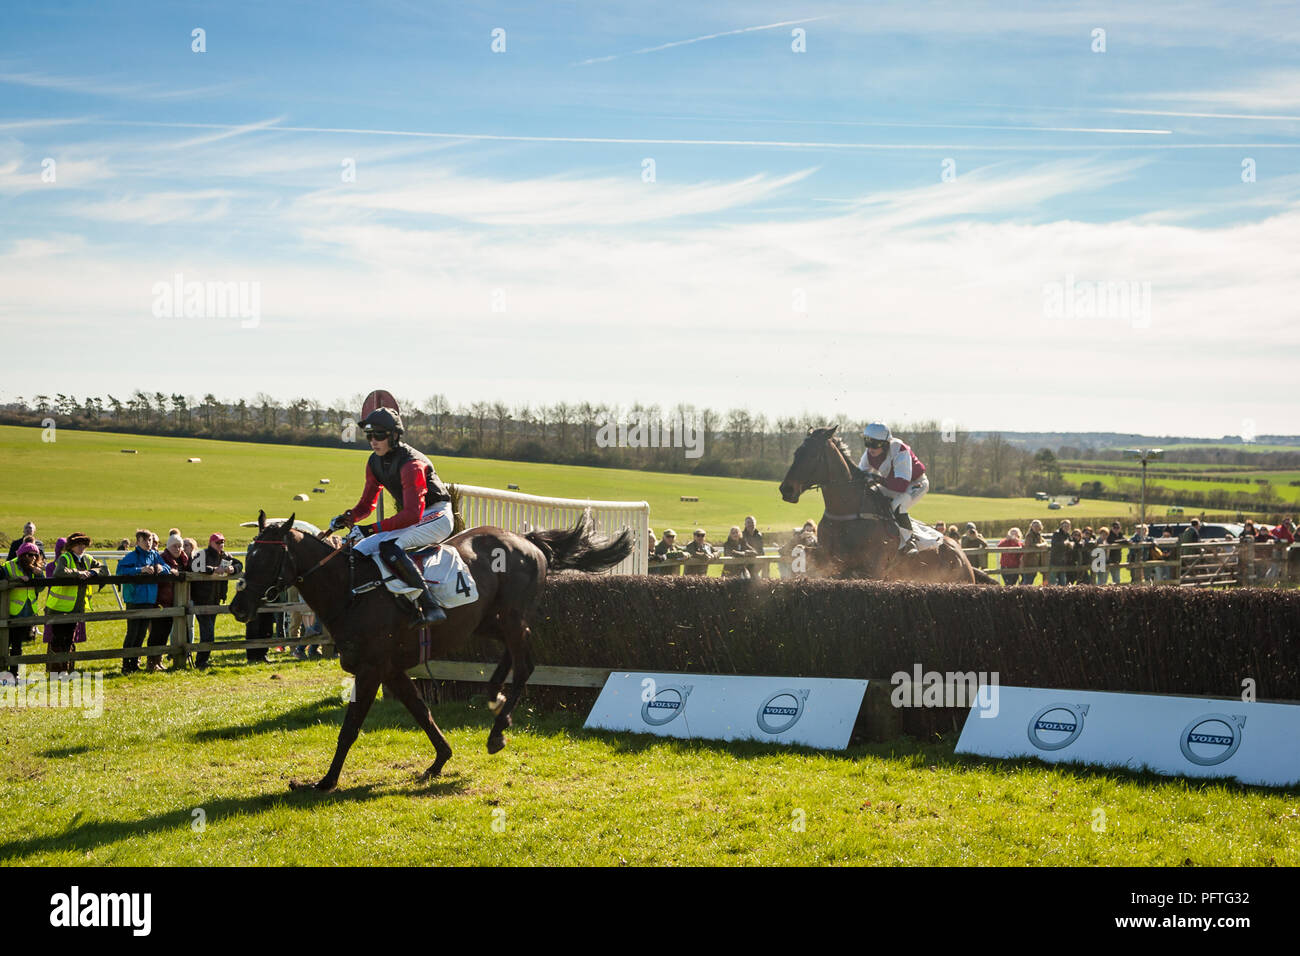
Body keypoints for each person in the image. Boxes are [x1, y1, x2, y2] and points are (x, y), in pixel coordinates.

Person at [331, 408, 454, 626]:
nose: (373, 441)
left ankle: (432, 607)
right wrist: (348, 517)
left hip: (437, 514)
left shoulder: (411, 464)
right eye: (369, 436)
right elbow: (366, 504)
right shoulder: (374, 462)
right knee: (359, 551)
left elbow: (411, 514)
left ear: (394, 435)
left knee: (389, 546)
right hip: (414, 517)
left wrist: (369, 529)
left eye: (379, 435)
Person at [857, 422, 929, 554]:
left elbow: (901, 485)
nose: (870, 448)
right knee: (870, 496)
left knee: (897, 505)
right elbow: (859, 475)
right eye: (867, 443)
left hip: (915, 484)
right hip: (892, 483)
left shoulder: (899, 450)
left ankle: (909, 541)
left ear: (885, 444)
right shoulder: (869, 453)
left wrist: (876, 478)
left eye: (875, 444)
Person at [117, 529, 174, 674]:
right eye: (145, 541)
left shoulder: (154, 555)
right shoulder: (132, 556)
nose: (148, 543)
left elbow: (167, 567)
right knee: (133, 633)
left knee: (142, 633)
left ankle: (135, 663)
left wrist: (162, 568)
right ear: (138, 542)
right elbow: (120, 571)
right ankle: (126, 664)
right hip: (135, 598)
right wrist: (140, 569)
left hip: (149, 599)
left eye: (150, 540)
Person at [44, 533, 101, 673]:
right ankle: (56, 670)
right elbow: (59, 572)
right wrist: (78, 573)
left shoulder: (87, 558)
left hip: (75, 607)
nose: (81, 547)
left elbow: (102, 568)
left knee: (69, 638)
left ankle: (66, 669)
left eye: (84, 544)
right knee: (57, 639)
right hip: (58, 606)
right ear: (71, 546)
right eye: (78, 544)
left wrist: (91, 572)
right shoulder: (65, 558)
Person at [189, 533, 240, 669]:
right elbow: (193, 566)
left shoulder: (226, 556)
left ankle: (202, 661)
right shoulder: (203, 554)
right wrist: (213, 570)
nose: (221, 544)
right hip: (201, 599)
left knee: (209, 632)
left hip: (215, 600)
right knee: (208, 633)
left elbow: (240, 564)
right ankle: (201, 662)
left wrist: (232, 569)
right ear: (211, 543)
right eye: (218, 542)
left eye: (223, 541)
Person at [2, 541, 44, 669]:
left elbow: (40, 588)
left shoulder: (34, 569)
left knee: (17, 645)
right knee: (5, 644)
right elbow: (2, 583)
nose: (32, 558)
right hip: (10, 612)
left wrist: (39, 575)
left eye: (35, 555)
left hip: (27, 612)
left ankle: (15, 674)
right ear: (22, 555)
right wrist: (16, 581)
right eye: (29, 555)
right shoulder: (8, 566)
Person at [1020, 519, 1046, 586]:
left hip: (1035, 562)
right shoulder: (1029, 535)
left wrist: (1041, 545)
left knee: (1029, 580)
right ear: (1031, 527)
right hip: (1028, 562)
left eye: (1038, 526)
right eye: (1035, 526)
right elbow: (1031, 545)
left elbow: (1044, 543)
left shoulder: (1038, 535)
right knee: (1028, 582)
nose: (1036, 527)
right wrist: (1040, 545)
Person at [1049, 519, 1072, 585]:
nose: (1067, 527)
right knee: (1052, 581)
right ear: (1061, 526)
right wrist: (1065, 543)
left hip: (1063, 561)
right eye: (1065, 526)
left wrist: (1071, 544)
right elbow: (1055, 544)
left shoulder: (1067, 535)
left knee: (1063, 581)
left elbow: (1071, 543)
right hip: (1055, 561)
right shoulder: (1056, 534)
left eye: (1068, 526)